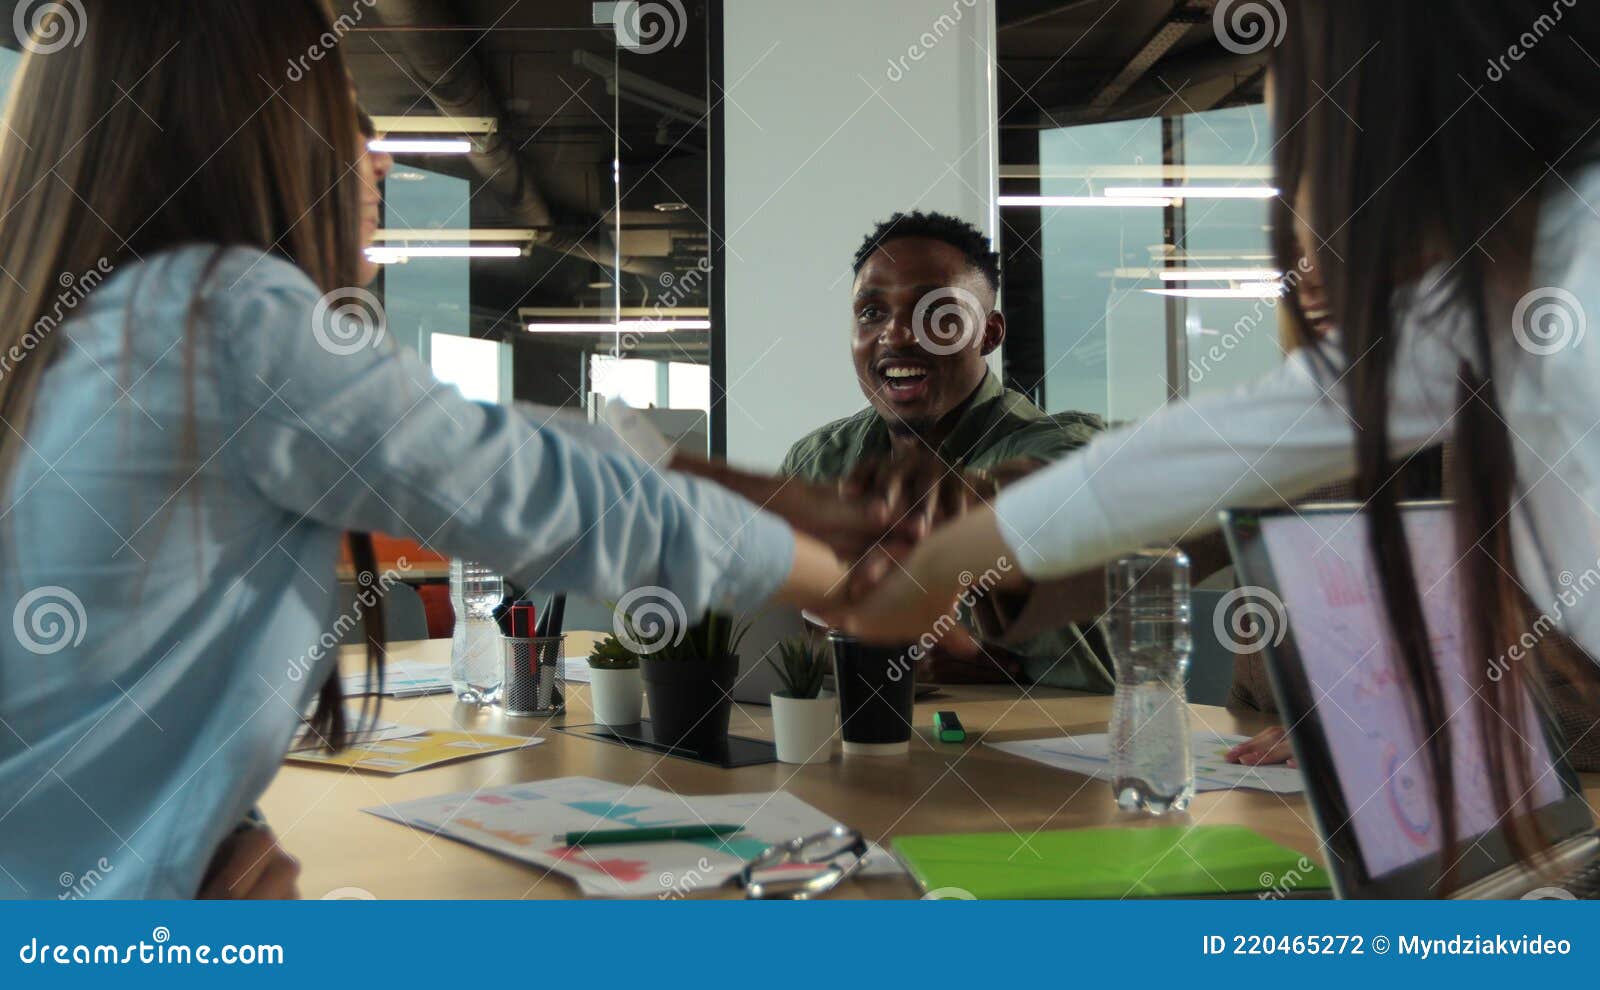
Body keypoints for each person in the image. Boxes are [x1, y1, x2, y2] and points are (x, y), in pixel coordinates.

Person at [0, 0, 843, 899]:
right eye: (339, 113)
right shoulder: (218, 314)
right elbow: (538, 490)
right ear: (246, 127)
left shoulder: (87, 334)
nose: (382, 155)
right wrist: (847, 579)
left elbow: (105, 688)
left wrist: (213, 836)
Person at [831, 0, 1600, 884]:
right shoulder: (1491, 299)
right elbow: (1197, 459)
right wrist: (934, 564)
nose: (1305, 216)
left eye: (1303, 147)